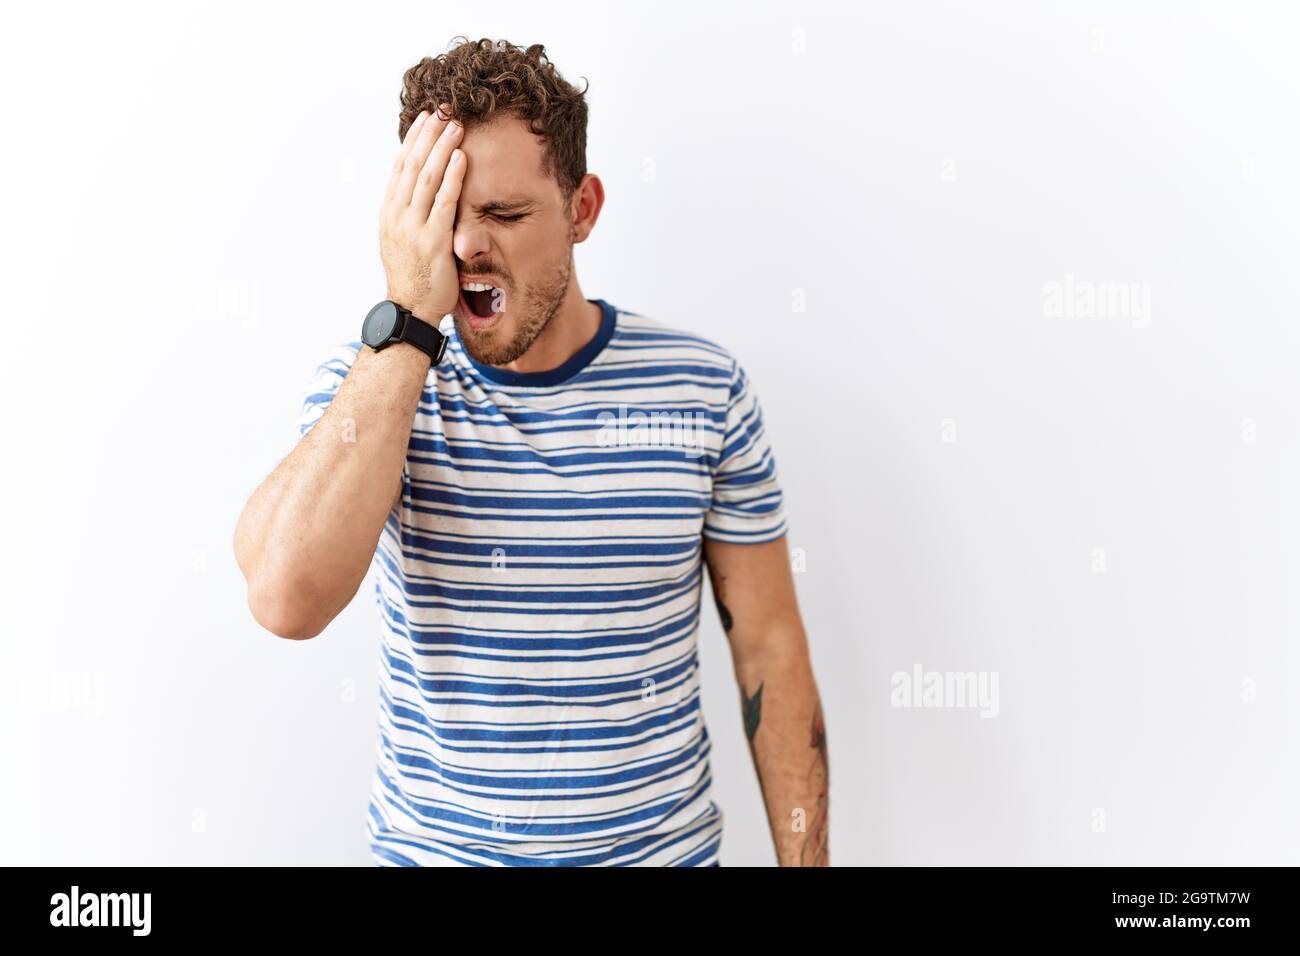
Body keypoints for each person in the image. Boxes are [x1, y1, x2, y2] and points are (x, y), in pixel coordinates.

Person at [234, 36, 828, 866]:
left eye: (505, 215)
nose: (470, 248)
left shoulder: (702, 388)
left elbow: (769, 645)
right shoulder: (377, 385)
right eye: (443, 217)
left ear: (582, 209)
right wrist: (407, 319)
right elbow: (283, 598)